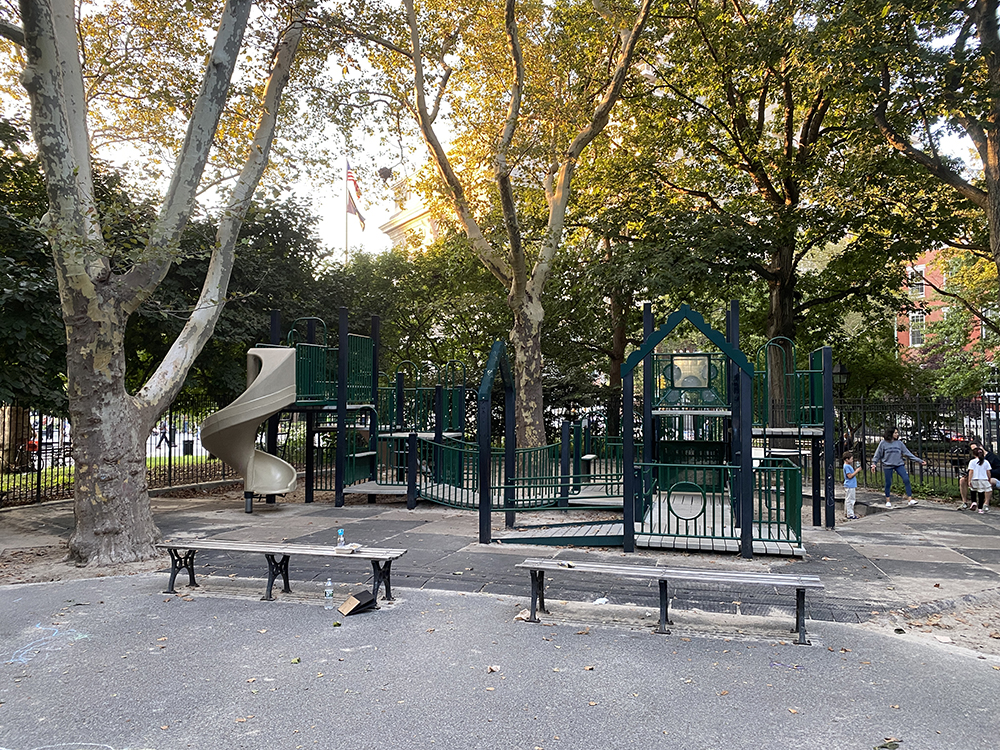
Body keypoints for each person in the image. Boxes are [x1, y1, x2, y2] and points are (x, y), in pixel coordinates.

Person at [870, 426, 926, 508]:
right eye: (895, 433)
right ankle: (888, 500)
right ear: (891, 433)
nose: (897, 434)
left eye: (897, 433)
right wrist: (874, 463)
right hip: (888, 465)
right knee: (888, 483)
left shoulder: (899, 443)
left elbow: (908, 453)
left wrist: (919, 461)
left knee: (906, 479)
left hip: (899, 464)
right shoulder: (883, 443)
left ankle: (910, 499)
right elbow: (877, 454)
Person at [959, 438, 1000, 509]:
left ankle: (985, 504)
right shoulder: (974, 459)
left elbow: (998, 471)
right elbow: (971, 469)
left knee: (990, 481)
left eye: (975, 448)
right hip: (976, 477)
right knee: (962, 480)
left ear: (981, 447)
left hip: (989, 477)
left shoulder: (992, 458)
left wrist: (986, 474)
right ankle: (964, 502)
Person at [967, 447, 992, 514]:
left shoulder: (972, 462)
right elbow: (988, 472)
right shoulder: (986, 462)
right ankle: (980, 508)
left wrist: (969, 480)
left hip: (974, 479)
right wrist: (989, 479)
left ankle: (974, 502)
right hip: (983, 479)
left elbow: (971, 471)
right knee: (981, 494)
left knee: (973, 491)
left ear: (974, 454)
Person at [843, 451, 862, 520]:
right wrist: (856, 471)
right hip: (850, 485)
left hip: (850, 485)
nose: (852, 460)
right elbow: (849, 476)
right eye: (851, 459)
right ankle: (850, 514)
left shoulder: (847, 466)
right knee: (851, 500)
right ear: (847, 459)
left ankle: (847, 512)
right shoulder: (847, 466)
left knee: (848, 499)